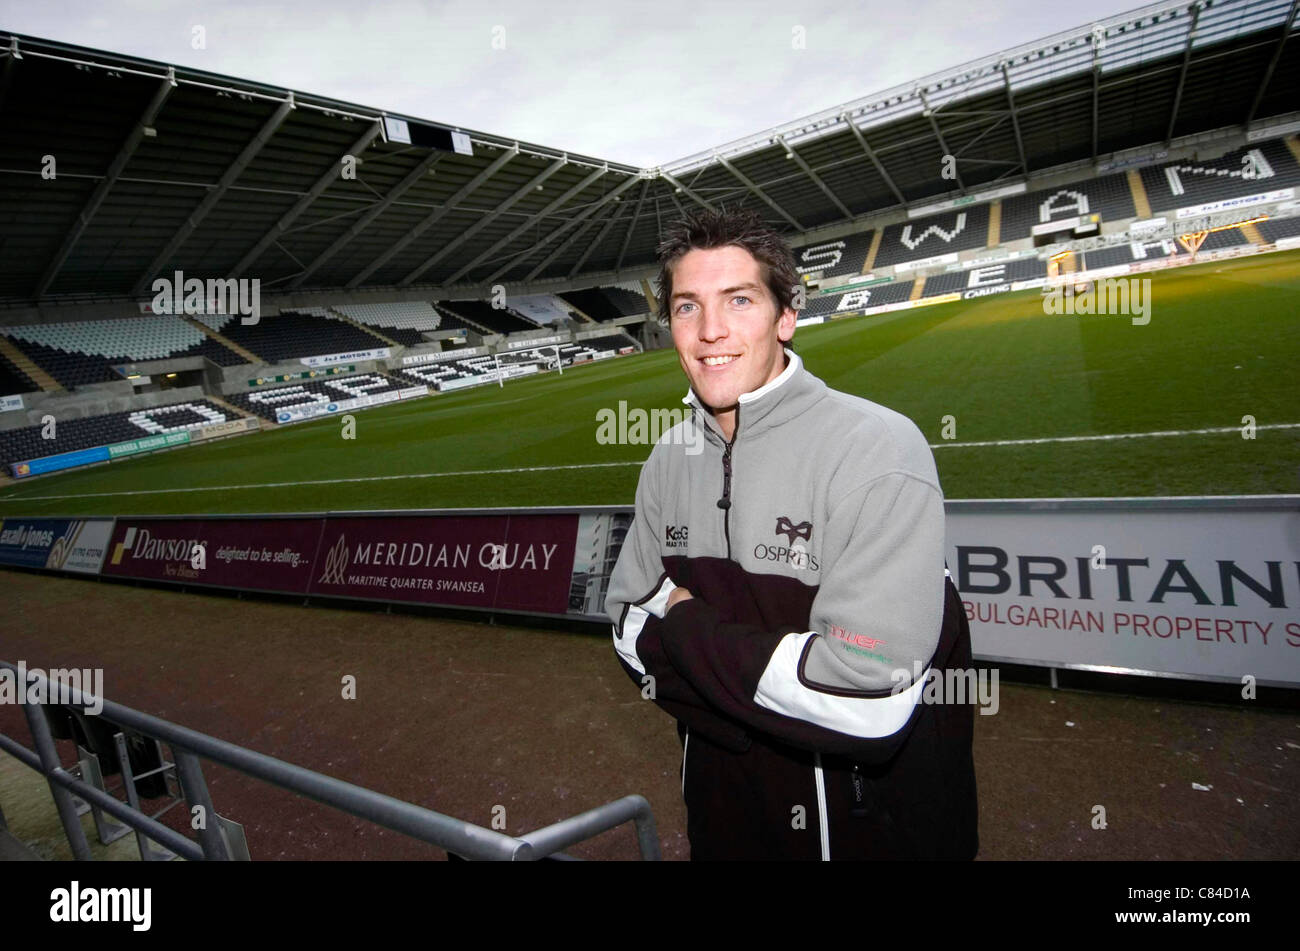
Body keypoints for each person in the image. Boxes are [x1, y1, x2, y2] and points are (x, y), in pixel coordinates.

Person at [604, 207, 978, 860]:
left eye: (738, 300)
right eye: (688, 307)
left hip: (876, 840)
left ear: (786, 317)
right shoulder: (667, 458)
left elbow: (870, 702)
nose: (711, 331)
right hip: (722, 828)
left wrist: (687, 629)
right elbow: (626, 630)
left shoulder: (877, 449)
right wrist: (779, 681)